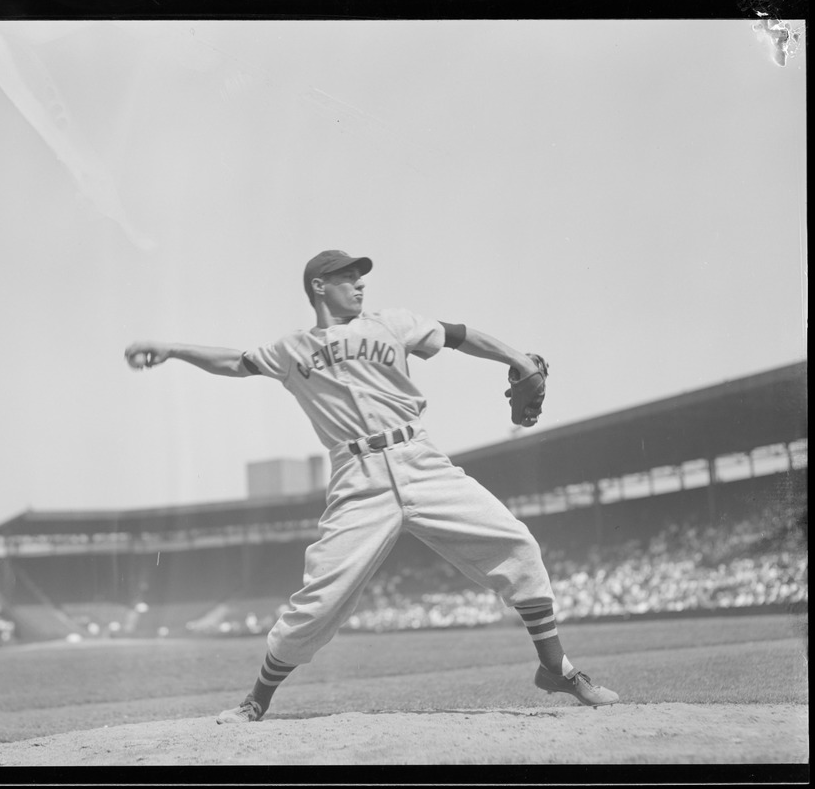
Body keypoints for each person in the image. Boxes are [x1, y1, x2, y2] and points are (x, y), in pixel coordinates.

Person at [124, 250, 619, 723]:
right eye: (347, 277)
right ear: (319, 286)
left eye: (360, 276)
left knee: (518, 545)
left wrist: (520, 360)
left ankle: (556, 669)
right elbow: (235, 361)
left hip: (419, 459)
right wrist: (172, 350)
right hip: (357, 477)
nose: (359, 284)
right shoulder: (293, 348)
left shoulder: (392, 323)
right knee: (321, 599)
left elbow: (459, 335)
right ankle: (256, 700)